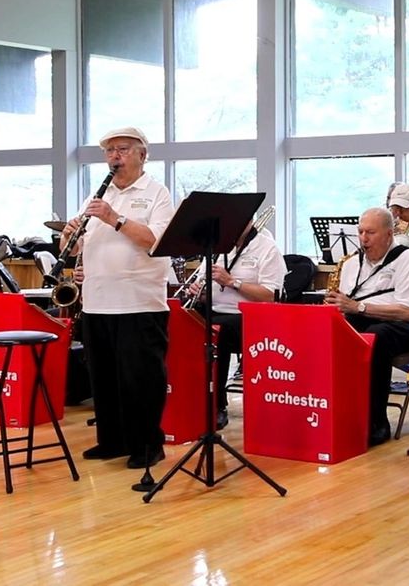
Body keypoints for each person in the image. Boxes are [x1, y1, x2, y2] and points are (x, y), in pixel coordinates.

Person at [63, 126, 175, 470]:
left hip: (139, 302)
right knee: (104, 378)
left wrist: (114, 217)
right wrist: (69, 237)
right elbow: (77, 249)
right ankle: (112, 440)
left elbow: (156, 240)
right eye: (110, 151)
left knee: (140, 379)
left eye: (123, 149)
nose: (115, 156)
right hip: (97, 301)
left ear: (143, 154)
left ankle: (148, 445)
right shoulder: (97, 196)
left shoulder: (157, 193)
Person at [325, 207, 409, 447]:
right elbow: (346, 306)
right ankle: (334, 415)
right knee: (328, 333)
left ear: (389, 235)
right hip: (361, 319)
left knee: (374, 337)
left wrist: (358, 307)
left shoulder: (406, 258)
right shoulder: (351, 263)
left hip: (397, 325)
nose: (363, 239)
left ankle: (376, 423)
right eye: (360, 232)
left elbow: (407, 312)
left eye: (370, 232)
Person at [189, 214, 286, 429]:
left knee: (218, 331)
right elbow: (205, 284)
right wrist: (198, 292)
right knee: (185, 324)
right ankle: (190, 399)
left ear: (249, 222)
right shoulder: (217, 247)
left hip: (250, 317)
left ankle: (217, 405)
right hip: (213, 310)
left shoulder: (267, 248)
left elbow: (272, 295)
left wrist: (233, 282)